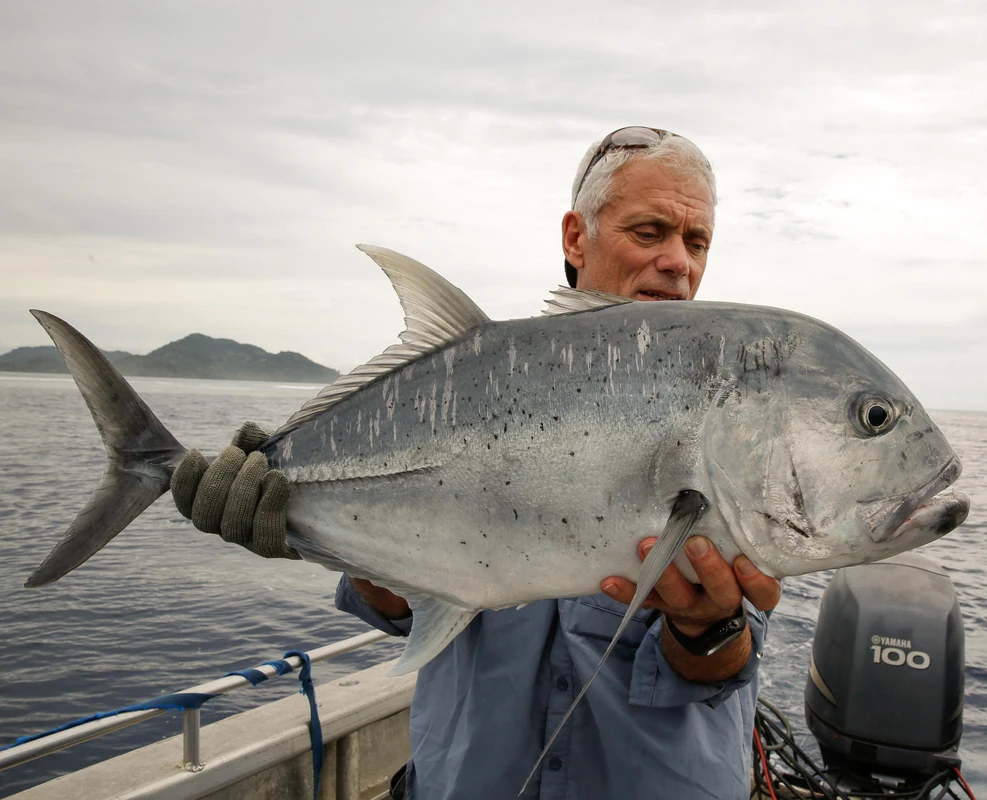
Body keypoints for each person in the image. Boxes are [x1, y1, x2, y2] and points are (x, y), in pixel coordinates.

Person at [174, 127, 781, 799]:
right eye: (649, 232)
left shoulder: (728, 407)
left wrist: (706, 626)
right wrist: (295, 519)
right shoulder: (472, 383)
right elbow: (401, 600)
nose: (677, 263)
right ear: (576, 238)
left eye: (696, 242)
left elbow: (724, 661)